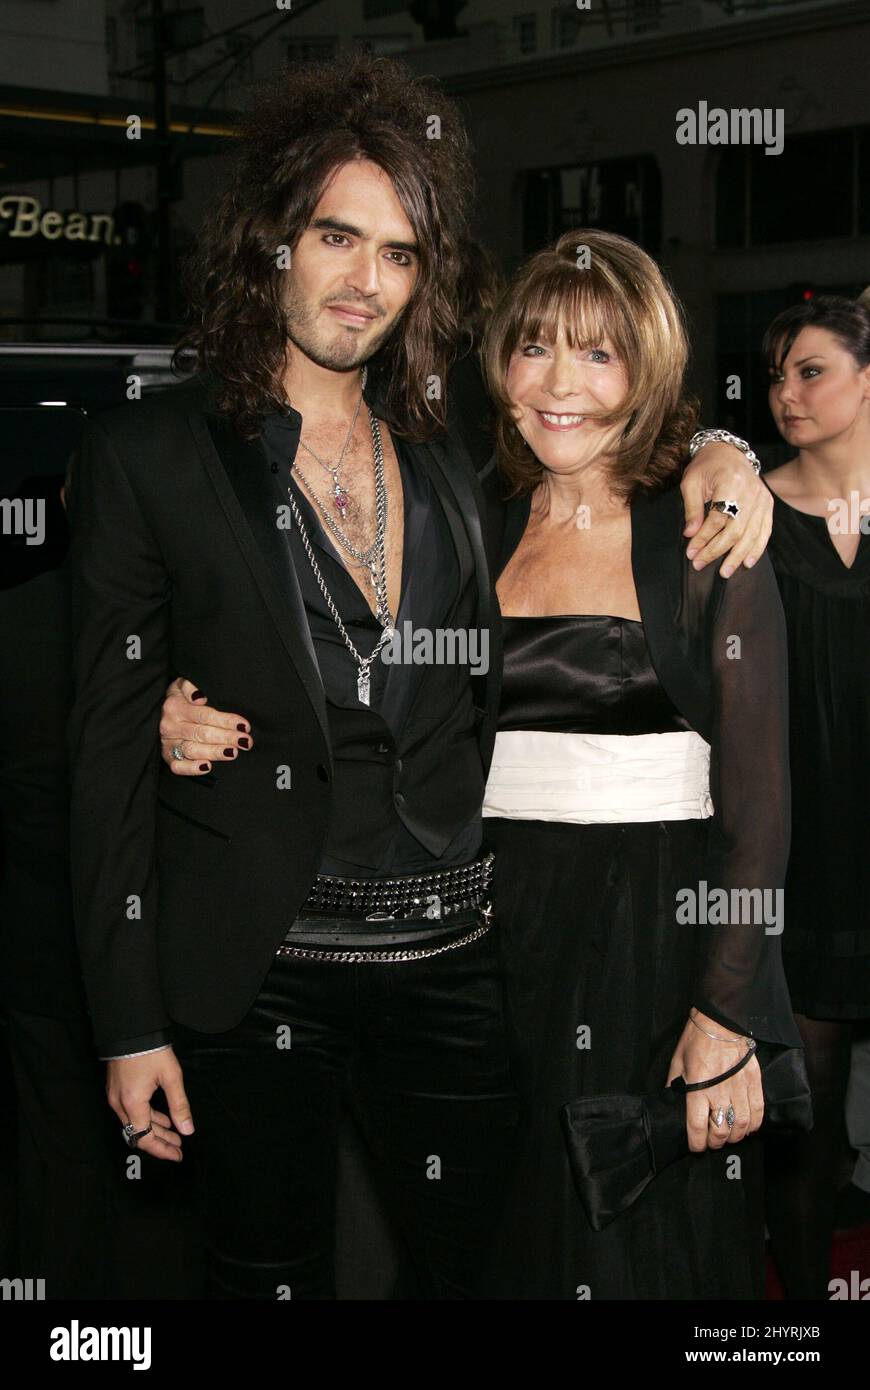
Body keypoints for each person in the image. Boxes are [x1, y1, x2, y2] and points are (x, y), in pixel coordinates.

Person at [69, 53, 776, 1302]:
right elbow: (104, 762)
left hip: (460, 961)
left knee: (483, 1268)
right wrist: (129, 1024)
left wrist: (732, 450)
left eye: (399, 252)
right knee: (268, 1274)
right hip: (258, 968)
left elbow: (605, 424)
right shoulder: (151, 455)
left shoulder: (456, 439)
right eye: (338, 236)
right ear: (270, 242)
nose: (365, 281)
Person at [473, 228, 806, 1299]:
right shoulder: (478, 513)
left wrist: (726, 1013)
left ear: (647, 370)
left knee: (632, 1249)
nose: (559, 383)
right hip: (485, 935)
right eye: (535, 348)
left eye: (599, 354)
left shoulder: (704, 532)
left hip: (648, 938)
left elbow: (759, 804)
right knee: (511, 1238)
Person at [759, 294, 870, 1298]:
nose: (787, 394)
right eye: (777, 375)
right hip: (802, 855)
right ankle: (798, 1319)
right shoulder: (748, 502)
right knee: (806, 1108)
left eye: (813, 370)